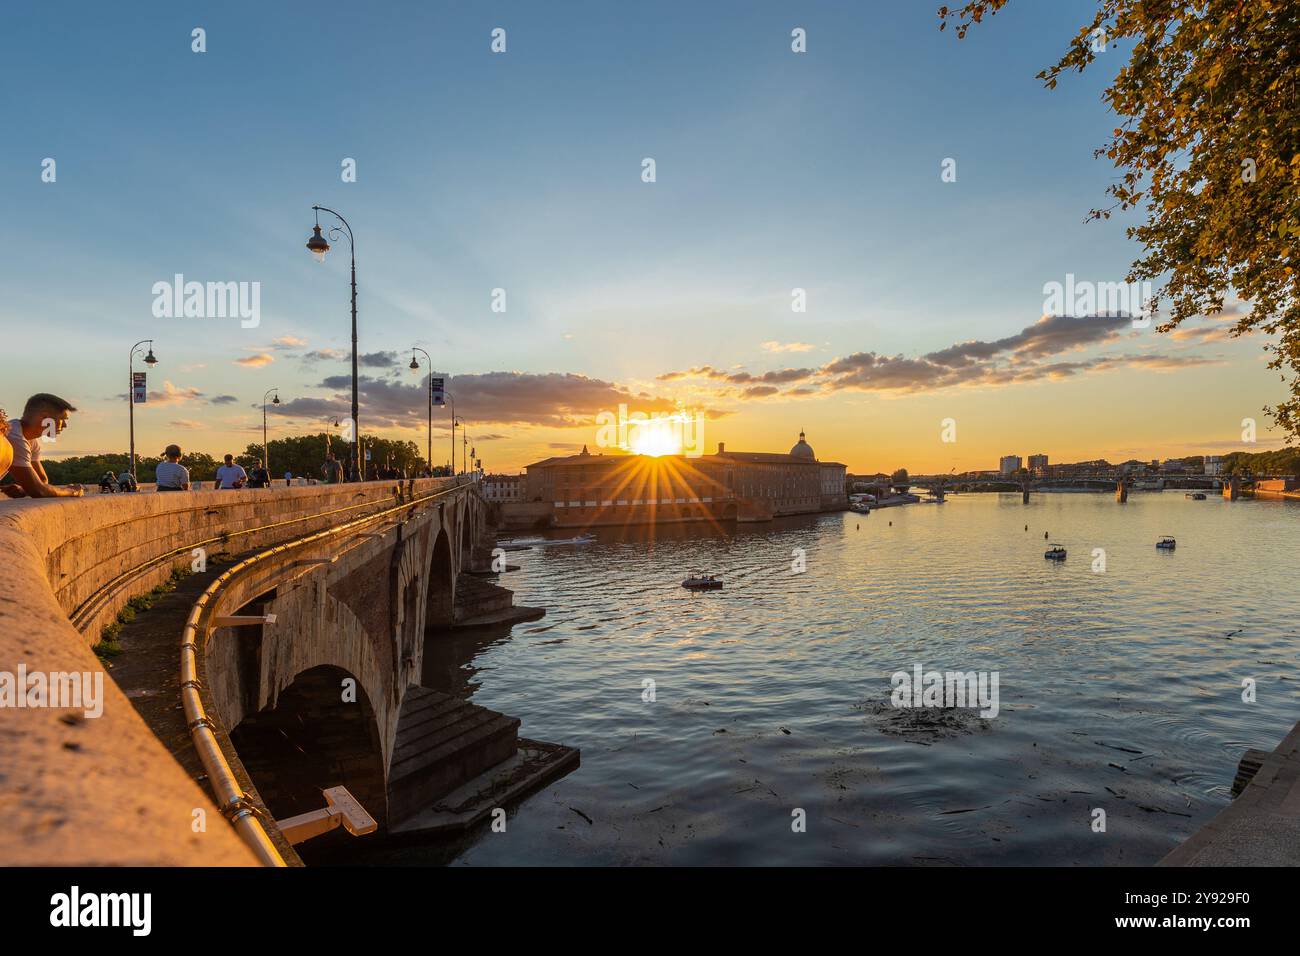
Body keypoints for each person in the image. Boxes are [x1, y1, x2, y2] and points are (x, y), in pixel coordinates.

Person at [4, 393, 83, 497]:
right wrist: (72, 491)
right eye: (62, 419)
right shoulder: (13, 435)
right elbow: (38, 491)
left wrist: (25, 489)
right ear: (45, 417)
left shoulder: (30, 441)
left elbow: (42, 480)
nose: (64, 425)